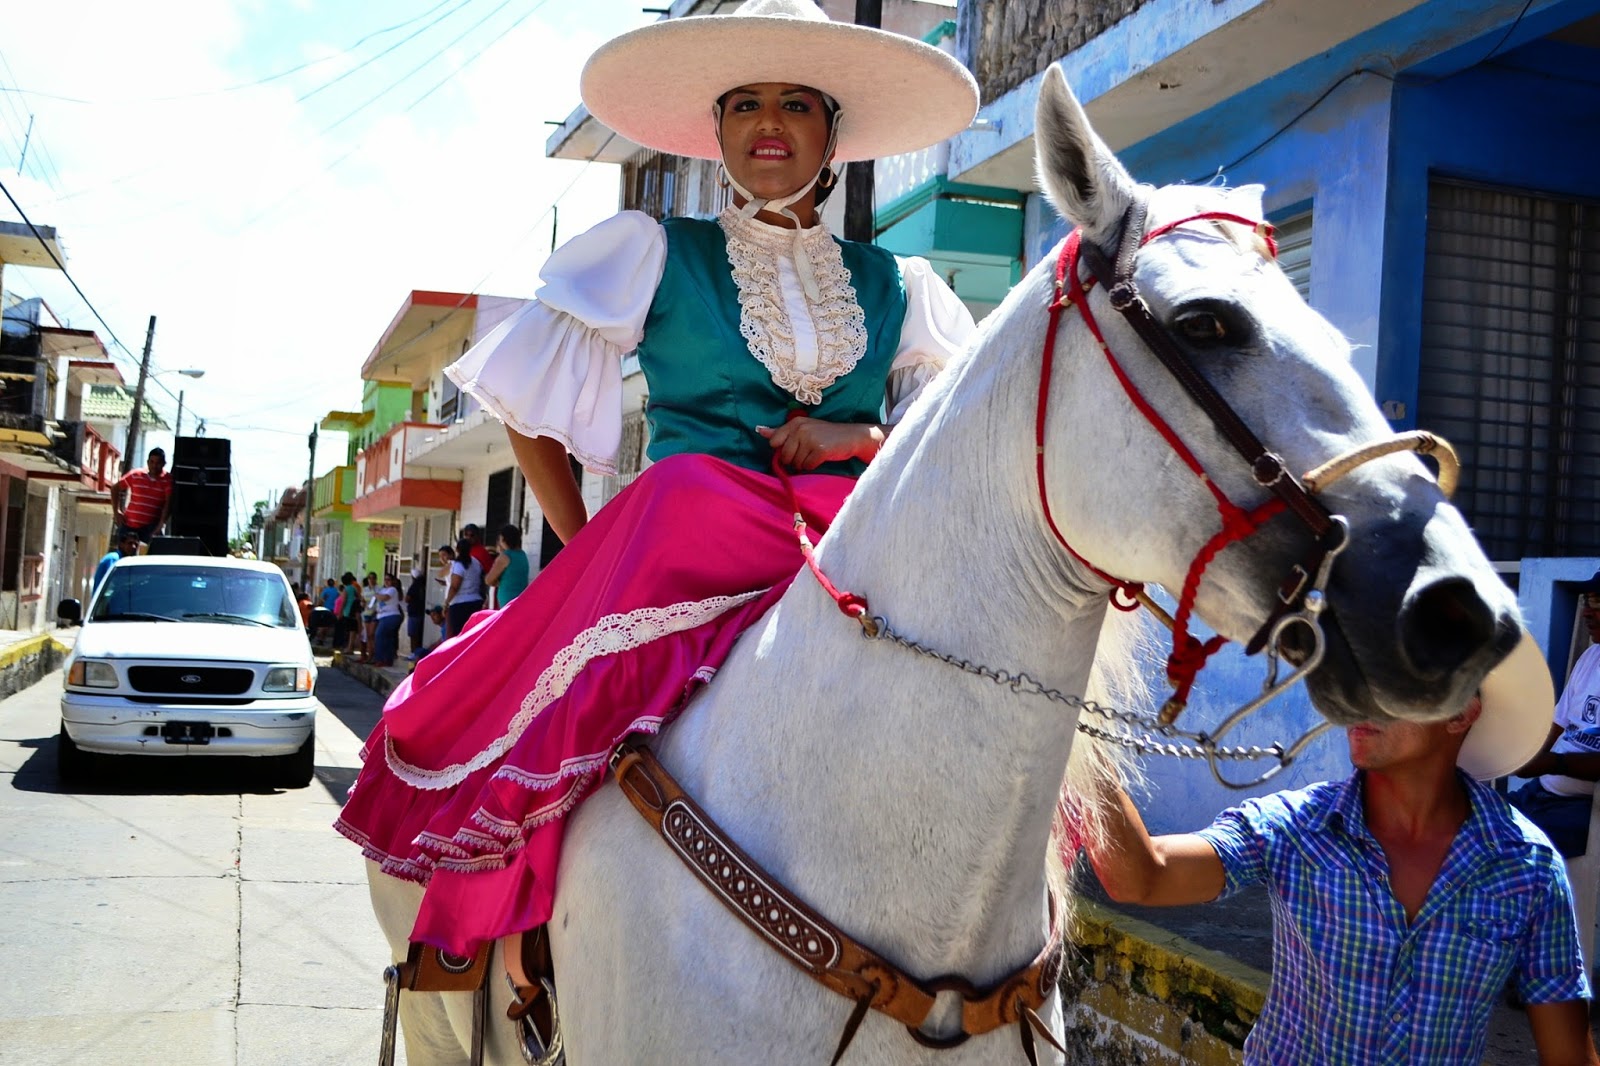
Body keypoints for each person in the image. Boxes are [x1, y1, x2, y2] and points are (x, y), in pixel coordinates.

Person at [335, 0, 978, 959]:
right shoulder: (655, 251)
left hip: (844, 543)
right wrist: (583, 546)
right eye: (747, 103)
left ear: (831, 134)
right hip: (690, 540)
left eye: (796, 104)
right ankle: (520, 940)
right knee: (679, 501)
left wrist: (857, 434)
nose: (769, 123)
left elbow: (948, 446)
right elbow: (523, 399)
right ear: (717, 132)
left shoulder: (901, 285)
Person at [1082, 637, 1595, 1065]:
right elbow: (1142, 876)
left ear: (1462, 711)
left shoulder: (1526, 867)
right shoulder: (1294, 827)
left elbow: (1569, 1054)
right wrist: (1073, 732)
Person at [1510, 569, 1600, 857]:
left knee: (1504, 850)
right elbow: (1559, 722)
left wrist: (1552, 763)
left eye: (1597, 603)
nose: (1587, 611)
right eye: (1587, 600)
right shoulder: (1591, 656)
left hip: (1581, 811)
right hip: (1541, 792)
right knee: (1470, 819)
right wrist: (1528, 755)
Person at [111, 447, 172, 543]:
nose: (154, 466)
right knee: (125, 556)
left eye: (158, 463)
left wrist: (161, 525)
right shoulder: (136, 475)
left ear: (164, 464)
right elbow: (115, 488)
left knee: (148, 556)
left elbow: (168, 504)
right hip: (128, 526)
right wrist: (116, 511)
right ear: (148, 462)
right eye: (152, 462)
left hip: (150, 528)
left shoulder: (167, 480)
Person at [442, 536, 484, 638]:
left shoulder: (458, 565)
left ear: (457, 550)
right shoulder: (476, 562)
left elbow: (455, 586)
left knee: (458, 636)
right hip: (476, 601)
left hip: (459, 605)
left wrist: (446, 603)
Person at [483, 523, 529, 608]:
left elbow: (488, 580)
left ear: (503, 539)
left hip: (507, 599)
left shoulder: (504, 557)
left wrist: (499, 582)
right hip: (521, 598)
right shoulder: (523, 555)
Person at [92, 530, 141, 597]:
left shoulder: (124, 561)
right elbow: (114, 582)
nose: (133, 547)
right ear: (121, 544)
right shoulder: (114, 559)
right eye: (130, 543)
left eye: (136, 544)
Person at [371, 574, 404, 667]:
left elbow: (384, 598)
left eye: (388, 579)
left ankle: (380, 659)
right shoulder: (382, 590)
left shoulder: (392, 590)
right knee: (387, 639)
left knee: (379, 636)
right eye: (385, 579)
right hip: (382, 616)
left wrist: (376, 595)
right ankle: (387, 659)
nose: (386, 581)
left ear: (393, 581)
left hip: (391, 616)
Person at [404, 565, 427, 657]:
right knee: (418, 634)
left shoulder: (414, 586)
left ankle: (414, 653)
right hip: (420, 612)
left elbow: (407, 598)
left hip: (414, 613)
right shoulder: (423, 586)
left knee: (413, 634)